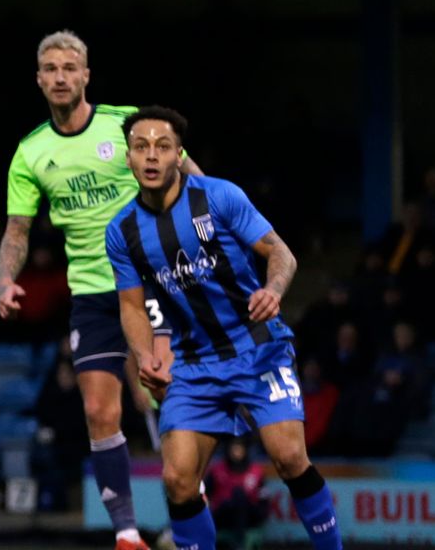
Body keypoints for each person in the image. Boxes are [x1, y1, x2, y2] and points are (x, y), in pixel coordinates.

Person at [106, 107, 341, 550]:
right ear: (129, 159)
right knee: (177, 480)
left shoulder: (219, 197)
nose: (151, 156)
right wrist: (145, 356)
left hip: (256, 347)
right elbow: (133, 309)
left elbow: (281, 254)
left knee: (290, 458)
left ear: (179, 154)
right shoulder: (122, 231)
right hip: (194, 363)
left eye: (162, 147)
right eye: (141, 147)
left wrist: (273, 289)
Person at [0, 31, 189, 550]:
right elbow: (17, 230)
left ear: (86, 75)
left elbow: (190, 177)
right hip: (92, 296)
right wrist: (4, 279)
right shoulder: (31, 152)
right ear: (39, 80)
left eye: (69, 68)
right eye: (51, 69)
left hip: (151, 285)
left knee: (164, 398)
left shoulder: (126, 126)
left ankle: (187, 518)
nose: (60, 77)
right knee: (99, 412)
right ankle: (128, 534)